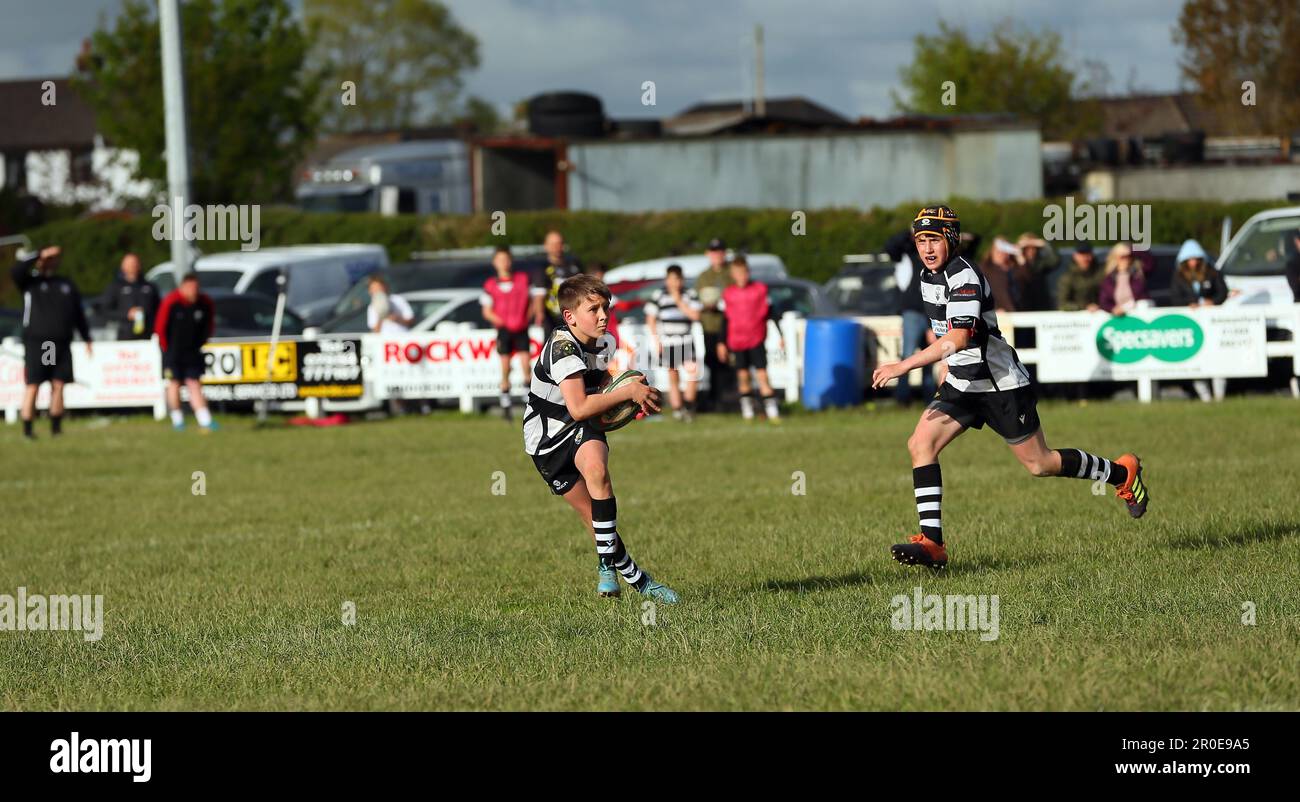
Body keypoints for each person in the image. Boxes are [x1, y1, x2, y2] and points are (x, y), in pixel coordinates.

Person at [870, 205, 1150, 570]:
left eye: (934, 239)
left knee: (1041, 464)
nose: (927, 248)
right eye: (921, 240)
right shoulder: (927, 276)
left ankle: (1121, 472)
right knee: (920, 444)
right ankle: (933, 542)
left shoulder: (964, 275)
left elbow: (959, 335)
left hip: (1000, 383)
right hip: (962, 382)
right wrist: (944, 364)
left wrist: (903, 365)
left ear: (951, 240)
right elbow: (944, 332)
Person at [521, 274, 678, 603]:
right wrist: (626, 391)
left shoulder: (604, 342)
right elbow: (578, 406)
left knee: (597, 471)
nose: (603, 315)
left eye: (606, 307)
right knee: (593, 516)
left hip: (581, 425)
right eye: (594, 309)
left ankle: (606, 568)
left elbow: (599, 384)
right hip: (546, 441)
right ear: (570, 316)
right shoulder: (562, 348)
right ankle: (639, 579)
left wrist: (635, 393)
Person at [10, 245, 92, 439]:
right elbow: (16, 270)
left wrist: (86, 336)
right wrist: (40, 253)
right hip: (39, 342)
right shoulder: (30, 283)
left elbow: (78, 314)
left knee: (59, 383)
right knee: (35, 383)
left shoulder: (65, 284)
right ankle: (28, 430)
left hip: (61, 342)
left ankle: (56, 428)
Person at [480, 245, 543, 421]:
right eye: (500, 260)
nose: (504, 263)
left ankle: (528, 402)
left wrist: (530, 316)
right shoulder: (491, 285)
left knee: (526, 365)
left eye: (506, 259)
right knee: (505, 366)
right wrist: (499, 320)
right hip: (504, 330)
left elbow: (533, 300)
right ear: (494, 263)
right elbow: (486, 310)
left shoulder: (523, 279)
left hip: (521, 328)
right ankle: (505, 403)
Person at [720, 255, 782, 422]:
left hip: (756, 338)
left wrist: (781, 335)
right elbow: (725, 320)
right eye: (738, 273)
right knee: (743, 375)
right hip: (737, 341)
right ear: (733, 274)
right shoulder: (729, 294)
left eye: (744, 272)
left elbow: (772, 313)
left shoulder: (760, 290)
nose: (742, 276)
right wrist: (722, 342)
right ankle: (747, 409)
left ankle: (772, 410)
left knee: (762, 375)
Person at [155, 273, 217, 432]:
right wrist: (166, 349)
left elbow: (209, 326)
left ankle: (205, 420)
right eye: (190, 288)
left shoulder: (205, 303)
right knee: (174, 383)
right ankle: (177, 420)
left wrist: (202, 342)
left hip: (193, 352)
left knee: (194, 383)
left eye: (196, 288)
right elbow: (160, 328)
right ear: (182, 287)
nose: (193, 291)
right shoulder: (171, 302)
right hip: (173, 352)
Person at [1169, 239, 1230, 402]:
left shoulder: (1212, 272)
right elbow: (1174, 298)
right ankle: (1204, 396)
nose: (1193, 262)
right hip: (1191, 324)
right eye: (1190, 259)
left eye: (1196, 258)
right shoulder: (1179, 276)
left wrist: (1213, 302)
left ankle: (1219, 395)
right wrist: (1188, 305)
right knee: (1196, 361)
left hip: (1212, 323)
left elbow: (1223, 292)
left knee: (1216, 358)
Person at [644, 264, 702, 421]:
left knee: (692, 374)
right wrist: (656, 340)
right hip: (669, 341)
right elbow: (650, 318)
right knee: (673, 375)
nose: (675, 283)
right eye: (672, 279)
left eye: (678, 279)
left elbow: (696, 315)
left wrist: (679, 301)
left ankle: (689, 406)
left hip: (686, 339)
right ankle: (678, 409)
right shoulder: (659, 295)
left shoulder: (689, 294)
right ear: (667, 280)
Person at [886, 229, 938, 405]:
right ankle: (902, 398)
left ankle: (929, 399)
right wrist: (908, 233)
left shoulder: (933, 259)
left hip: (929, 313)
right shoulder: (906, 254)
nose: (927, 247)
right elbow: (891, 246)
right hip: (912, 313)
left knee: (929, 358)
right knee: (907, 356)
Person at [693, 238, 735, 411]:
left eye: (720, 251)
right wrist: (706, 304)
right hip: (710, 325)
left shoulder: (732, 273)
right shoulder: (704, 276)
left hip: (730, 325)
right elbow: (698, 299)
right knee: (712, 362)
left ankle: (729, 399)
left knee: (729, 363)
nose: (717, 255)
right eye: (713, 252)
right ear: (708, 254)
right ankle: (716, 400)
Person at [100, 253, 160, 340]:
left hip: (148, 336)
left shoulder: (150, 287)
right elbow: (104, 310)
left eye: (135, 263)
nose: (133, 266)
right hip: (125, 337)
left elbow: (159, 310)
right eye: (130, 264)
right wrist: (126, 314)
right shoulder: (115, 287)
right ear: (123, 266)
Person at [535, 229, 582, 336]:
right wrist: (539, 314)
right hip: (552, 317)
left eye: (559, 243)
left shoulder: (574, 265)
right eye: (552, 244)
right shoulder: (542, 268)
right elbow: (539, 295)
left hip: (573, 315)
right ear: (546, 246)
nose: (556, 247)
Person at [1098, 243, 1149, 316]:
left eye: (1129, 256)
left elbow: (1150, 260)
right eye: (1123, 257)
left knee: (1143, 303)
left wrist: (1131, 248)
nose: (1126, 259)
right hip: (1120, 317)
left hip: (1138, 315)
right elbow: (1103, 302)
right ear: (1116, 258)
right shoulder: (1108, 279)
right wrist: (1113, 308)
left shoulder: (1138, 273)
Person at [1015, 233, 1059, 311]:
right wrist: (1019, 247)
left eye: (1034, 248)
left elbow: (1054, 260)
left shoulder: (1040, 264)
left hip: (1040, 304)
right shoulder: (1014, 264)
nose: (1031, 251)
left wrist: (1043, 243)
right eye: (1027, 248)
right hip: (1022, 306)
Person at [980, 237, 1026, 311]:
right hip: (998, 315)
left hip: (1019, 314)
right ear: (992, 251)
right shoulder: (984, 269)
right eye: (997, 250)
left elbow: (1027, 281)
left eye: (1003, 251)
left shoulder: (1014, 269)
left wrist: (1019, 256)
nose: (1000, 254)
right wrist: (994, 309)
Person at [1055, 242, 1103, 312]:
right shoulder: (1067, 277)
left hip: (1102, 315)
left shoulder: (1100, 272)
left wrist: (1101, 306)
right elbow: (1062, 304)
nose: (1085, 258)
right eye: (1082, 254)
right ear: (1075, 256)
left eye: (1088, 254)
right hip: (1077, 319)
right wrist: (1085, 307)